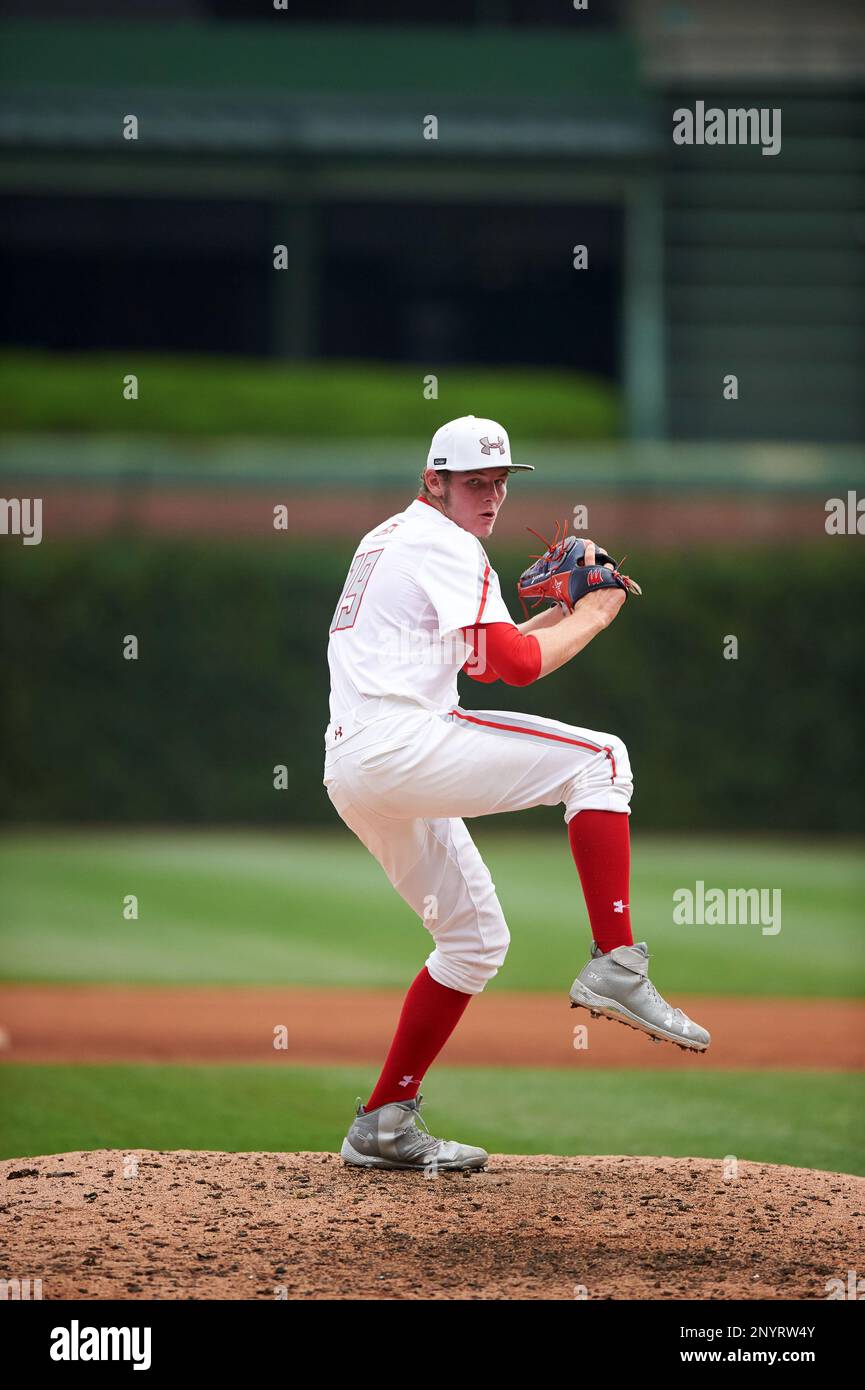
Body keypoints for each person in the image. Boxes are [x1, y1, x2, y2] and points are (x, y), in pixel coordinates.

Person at [323, 415, 709, 1173]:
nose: (492, 494)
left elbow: (491, 663)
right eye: (474, 481)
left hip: (357, 766)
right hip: (403, 744)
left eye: (501, 481)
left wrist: (564, 614)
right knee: (600, 758)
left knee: (472, 943)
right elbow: (521, 668)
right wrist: (596, 611)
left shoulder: (391, 537)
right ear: (432, 480)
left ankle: (383, 1121)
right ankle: (616, 962)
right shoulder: (446, 542)